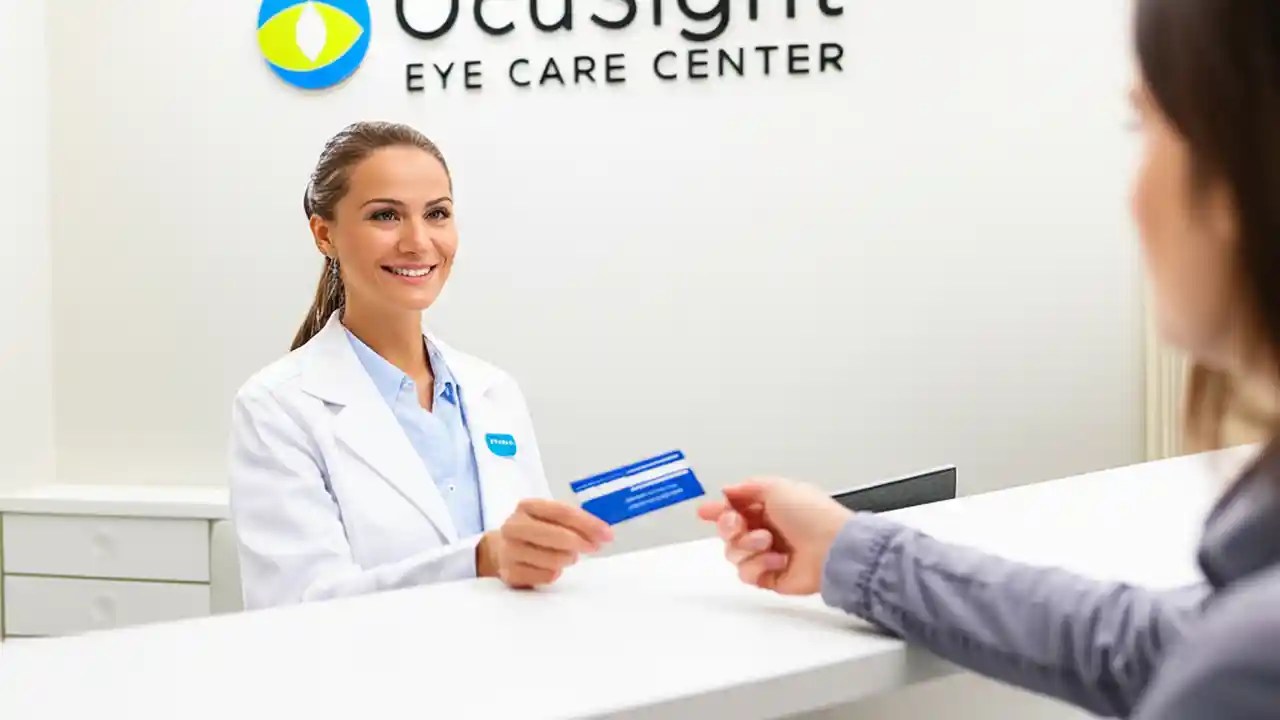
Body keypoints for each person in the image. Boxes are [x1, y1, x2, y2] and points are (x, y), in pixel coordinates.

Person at [699, 1, 1280, 717]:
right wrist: (851, 551)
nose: (1132, 193)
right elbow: (1158, 644)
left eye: (1147, 126)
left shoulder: (1250, 667)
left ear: (1241, 176)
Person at [228, 121, 612, 609]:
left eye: (437, 214)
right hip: (373, 681)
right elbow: (296, 604)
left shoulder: (492, 391)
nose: (418, 241)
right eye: (386, 216)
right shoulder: (276, 408)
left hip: (513, 672)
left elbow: (535, 569)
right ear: (325, 234)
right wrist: (477, 561)